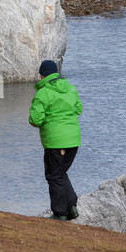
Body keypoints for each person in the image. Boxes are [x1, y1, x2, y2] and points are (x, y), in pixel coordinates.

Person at [28, 59, 83, 221]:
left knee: (54, 176)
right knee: (60, 173)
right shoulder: (71, 89)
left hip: (55, 142)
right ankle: (71, 206)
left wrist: (46, 120)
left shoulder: (43, 93)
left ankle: (60, 213)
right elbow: (79, 109)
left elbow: (35, 119)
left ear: (42, 75)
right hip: (73, 141)